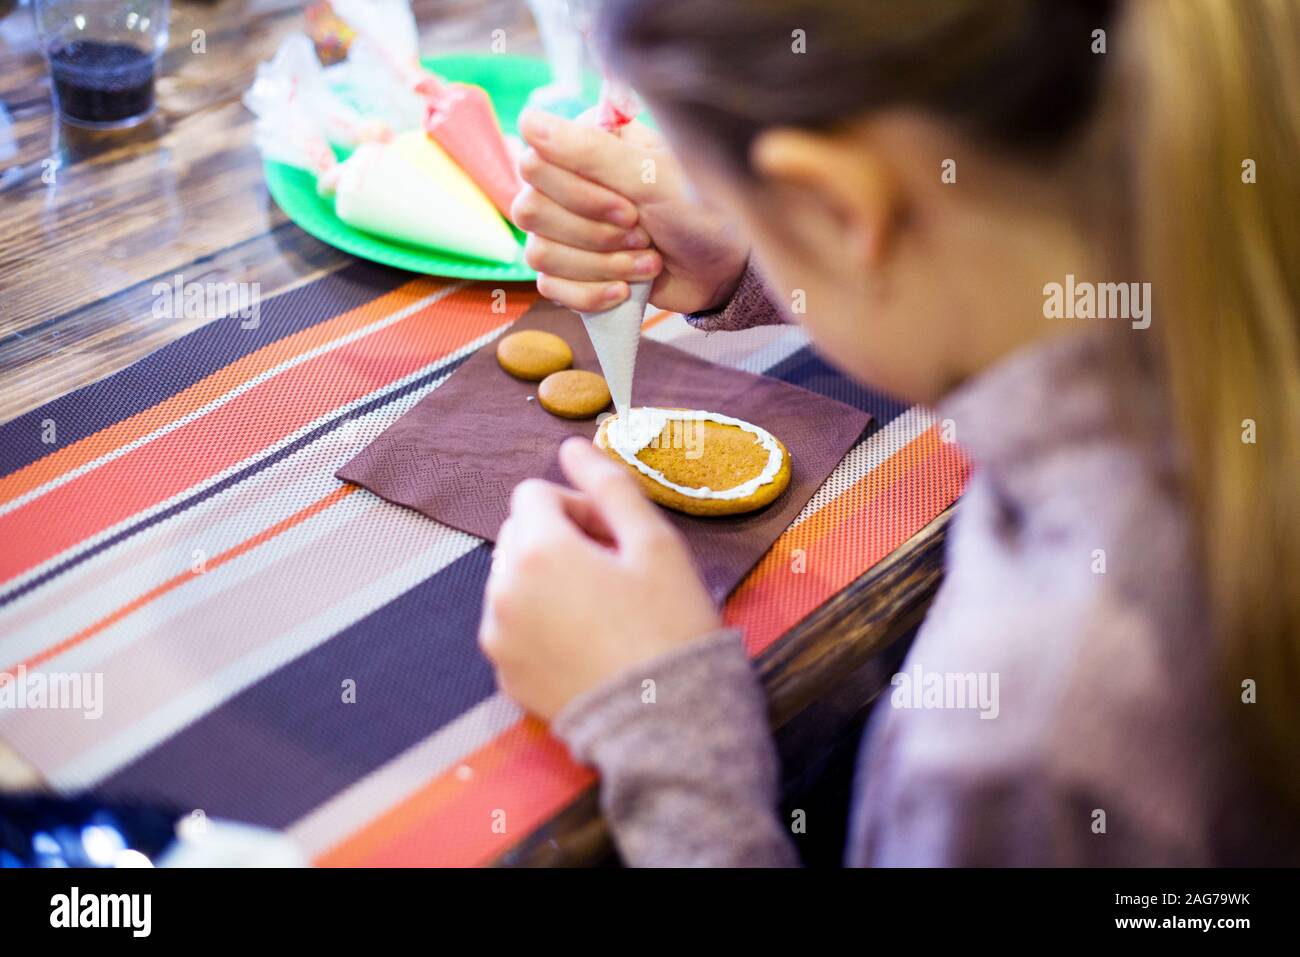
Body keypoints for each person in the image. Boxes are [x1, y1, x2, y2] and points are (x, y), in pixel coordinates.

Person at [478, 0, 1300, 865]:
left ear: (839, 207)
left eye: (734, 203)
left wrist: (669, 737)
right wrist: (772, 259)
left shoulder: (1023, 736)